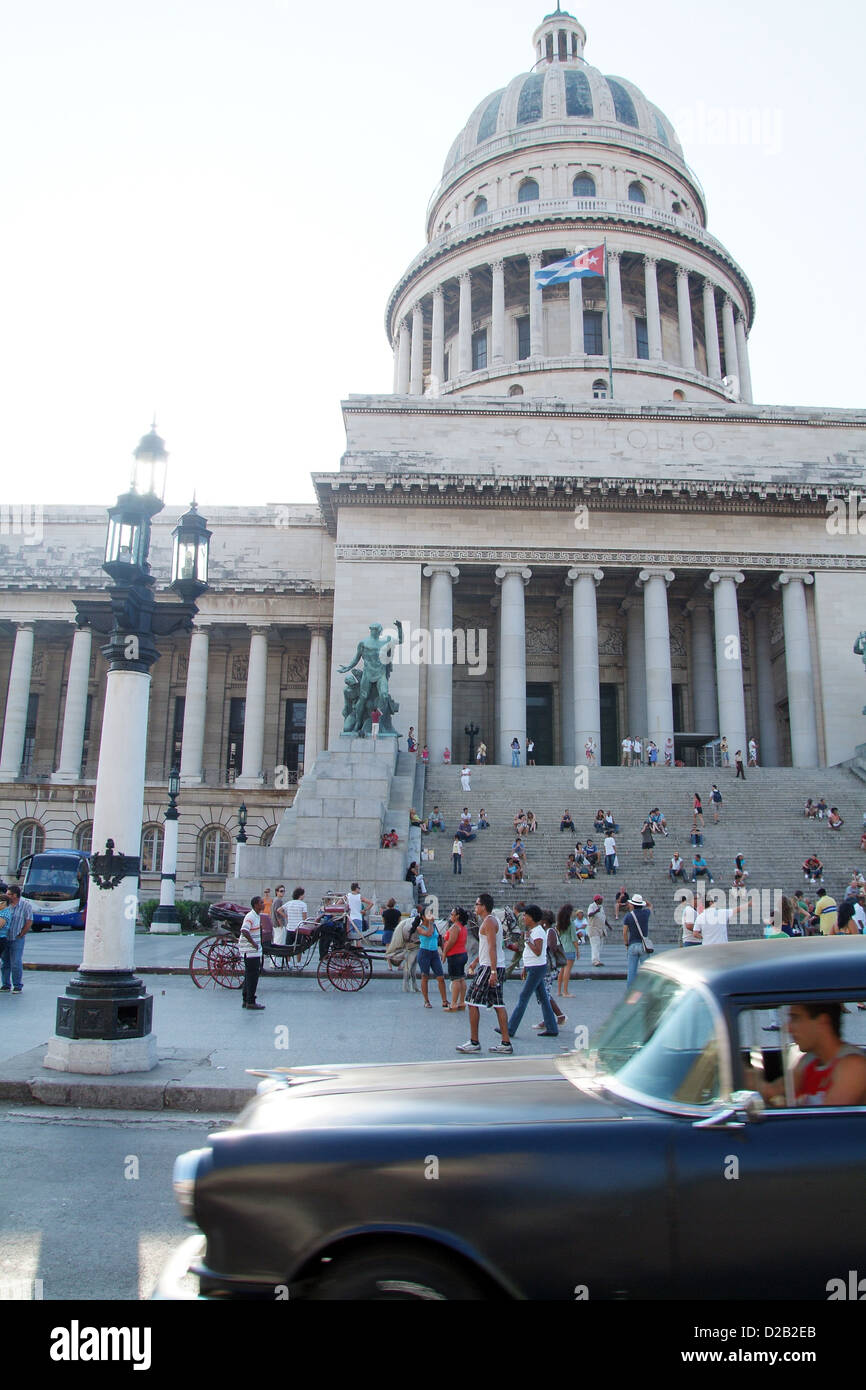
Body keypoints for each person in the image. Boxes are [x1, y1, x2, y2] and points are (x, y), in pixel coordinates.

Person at [749, 1003, 866, 1107]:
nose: (788, 1028)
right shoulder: (809, 1060)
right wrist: (748, 1077)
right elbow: (775, 1090)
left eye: (796, 1018)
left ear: (822, 1023)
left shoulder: (853, 1066)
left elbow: (826, 1123)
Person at [458, 894, 512, 1054]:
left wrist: (493, 971)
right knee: (498, 1004)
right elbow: (487, 947)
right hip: (491, 965)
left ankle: (474, 1041)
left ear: (484, 906)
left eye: (477, 904)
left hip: (490, 967)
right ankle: (506, 1042)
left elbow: (492, 948)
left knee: (471, 1000)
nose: (475, 907)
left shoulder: (489, 921)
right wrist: (476, 962)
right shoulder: (491, 920)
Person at [504, 904, 560, 1039]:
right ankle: (552, 1027)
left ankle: (510, 1028)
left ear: (532, 918)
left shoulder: (538, 932)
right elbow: (529, 952)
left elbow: (538, 951)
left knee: (524, 997)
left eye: (526, 916)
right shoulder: (532, 931)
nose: (524, 918)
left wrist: (528, 939)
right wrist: (525, 966)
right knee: (544, 998)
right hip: (533, 966)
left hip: (537, 967)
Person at [0, 885, 33, 993]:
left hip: (17, 937)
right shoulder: (5, 905)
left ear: (16, 895)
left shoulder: (25, 905)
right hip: (5, 937)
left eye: (9, 894)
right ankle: (5, 984)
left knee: (16, 962)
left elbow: (29, 920)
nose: (7, 896)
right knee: (5, 962)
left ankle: (17, 985)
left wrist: (22, 933)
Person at [416, 905, 448, 1009]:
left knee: (441, 977)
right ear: (423, 917)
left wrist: (443, 952)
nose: (430, 916)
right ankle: (426, 1000)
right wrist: (430, 922)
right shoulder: (420, 928)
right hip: (424, 952)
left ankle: (444, 1000)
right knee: (425, 976)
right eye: (428, 914)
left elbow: (439, 938)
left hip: (434, 953)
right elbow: (428, 934)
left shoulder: (433, 926)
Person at [239, 896, 265, 1010]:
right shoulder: (251, 916)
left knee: (248, 975)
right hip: (250, 951)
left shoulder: (256, 916)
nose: (263, 904)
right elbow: (244, 930)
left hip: (252, 951)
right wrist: (253, 943)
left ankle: (246, 999)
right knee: (253, 976)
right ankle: (250, 1001)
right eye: (261, 903)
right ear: (255, 905)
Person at [442, 906, 470, 1010]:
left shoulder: (454, 927)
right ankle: (461, 1002)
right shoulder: (462, 927)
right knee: (461, 979)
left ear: (457, 916)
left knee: (455, 980)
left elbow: (451, 942)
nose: (451, 916)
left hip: (455, 955)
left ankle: (453, 1004)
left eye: (452, 914)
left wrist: (444, 953)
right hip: (462, 953)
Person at [623, 894, 651, 989]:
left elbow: (624, 932)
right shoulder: (646, 913)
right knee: (646, 970)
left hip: (632, 944)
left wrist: (626, 943)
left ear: (632, 904)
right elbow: (650, 906)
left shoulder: (628, 916)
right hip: (644, 946)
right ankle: (646, 990)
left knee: (631, 970)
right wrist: (645, 903)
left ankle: (630, 991)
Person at [555, 903, 577, 997]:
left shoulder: (559, 923)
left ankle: (559, 991)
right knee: (567, 970)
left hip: (562, 947)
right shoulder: (571, 923)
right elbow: (574, 938)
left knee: (562, 970)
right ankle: (565, 992)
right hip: (570, 947)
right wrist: (578, 950)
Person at [586, 893, 608, 967]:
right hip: (593, 928)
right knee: (595, 945)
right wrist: (596, 911)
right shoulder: (591, 906)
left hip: (601, 929)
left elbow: (603, 917)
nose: (602, 900)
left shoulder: (601, 907)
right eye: (601, 899)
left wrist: (608, 925)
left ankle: (597, 959)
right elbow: (589, 914)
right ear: (597, 900)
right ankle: (595, 961)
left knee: (599, 945)